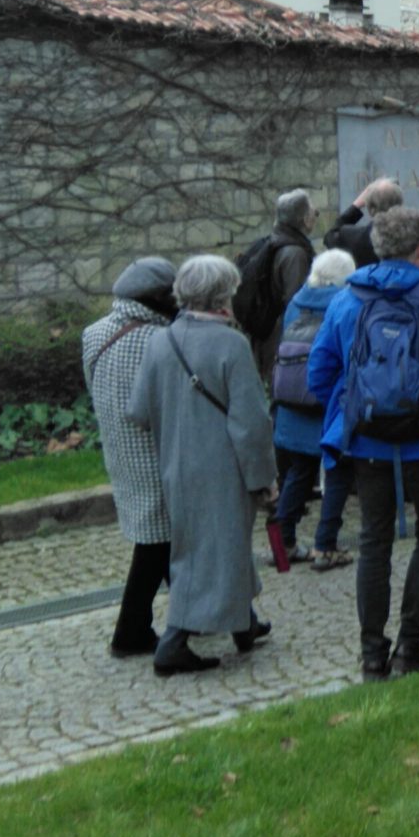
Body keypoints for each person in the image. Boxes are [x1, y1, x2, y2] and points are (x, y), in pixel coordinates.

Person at [309, 206, 419, 679]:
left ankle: (372, 653)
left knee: (374, 541)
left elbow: (318, 373)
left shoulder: (347, 298)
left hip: (367, 441)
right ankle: (411, 645)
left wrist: (356, 406)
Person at [122, 255, 277, 678]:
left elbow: (138, 409)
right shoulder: (231, 344)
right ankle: (174, 641)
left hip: (176, 463)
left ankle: (244, 623)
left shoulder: (160, 340)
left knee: (216, 544)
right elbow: (251, 423)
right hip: (224, 468)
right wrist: (264, 478)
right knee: (212, 549)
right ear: (224, 294)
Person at [81, 257, 180, 660]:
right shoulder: (159, 339)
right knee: (158, 542)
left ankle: (204, 615)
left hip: (119, 450)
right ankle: (131, 630)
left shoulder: (94, 333)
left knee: (165, 540)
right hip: (156, 451)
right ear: (157, 297)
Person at [268, 248, 358, 572]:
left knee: (299, 473)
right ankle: (325, 546)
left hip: (293, 399)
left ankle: (283, 545)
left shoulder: (296, 302)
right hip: (328, 397)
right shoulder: (346, 302)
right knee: (338, 471)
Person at [234, 189, 316, 375]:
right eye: (313, 212)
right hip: (278, 341)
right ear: (304, 220)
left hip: (262, 336)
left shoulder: (268, 243)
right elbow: (296, 306)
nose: (316, 215)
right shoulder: (295, 254)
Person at [324, 177, 403, 267]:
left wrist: (356, 205)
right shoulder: (412, 234)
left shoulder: (354, 236)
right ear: (400, 204)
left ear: (370, 209)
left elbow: (329, 237)